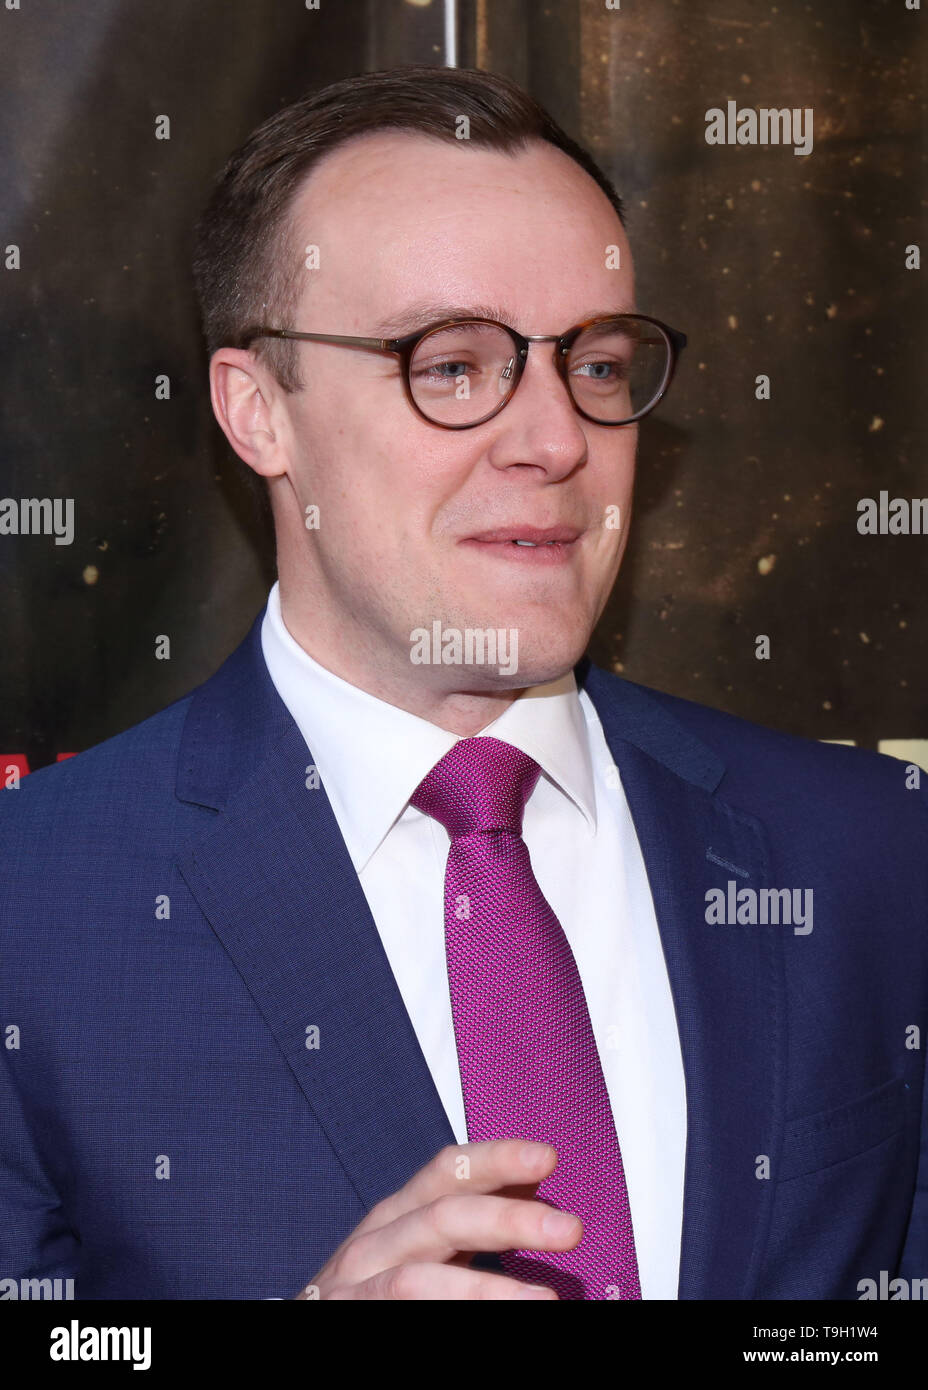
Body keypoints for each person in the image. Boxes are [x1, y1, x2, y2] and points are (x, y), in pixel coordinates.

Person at [1, 65, 925, 1303]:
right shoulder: (37, 910)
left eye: (594, 365)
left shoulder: (868, 856)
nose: (554, 440)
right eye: (449, 364)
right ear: (257, 410)